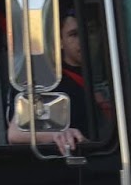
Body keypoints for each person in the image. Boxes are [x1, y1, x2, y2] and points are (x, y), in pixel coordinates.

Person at [7, 12, 93, 156]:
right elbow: (15, 133)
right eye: (74, 34)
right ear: (59, 41)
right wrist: (58, 134)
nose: (83, 40)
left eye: (90, 31)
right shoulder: (48, 81)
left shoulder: (114, 71)